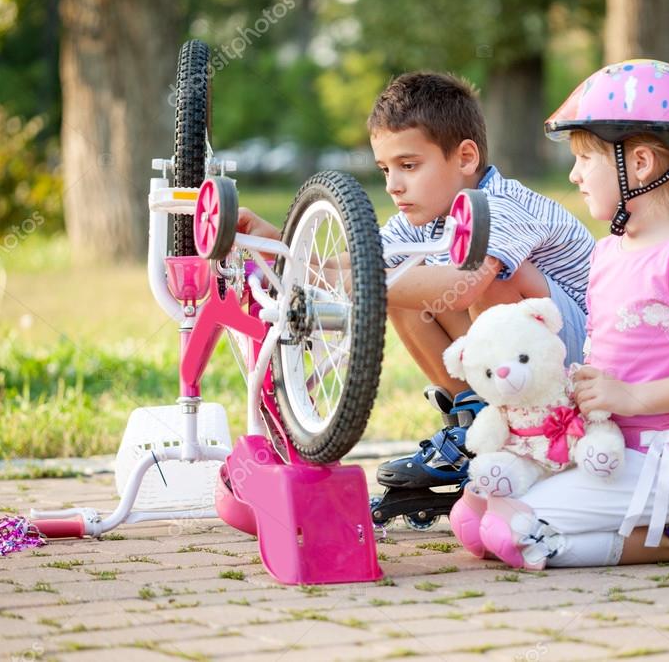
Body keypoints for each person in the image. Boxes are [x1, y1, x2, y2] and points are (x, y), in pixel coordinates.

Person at [451, 59, 669, 570]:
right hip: (607, 449)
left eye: (585, 158)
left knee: (508, 531)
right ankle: (644, 523)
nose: (574, 173)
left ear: (638, 164)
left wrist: (634, 397)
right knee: (469, 522)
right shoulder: (608, 253)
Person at [239, 72, 596, 494]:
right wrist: (283, 250)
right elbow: (357, 264)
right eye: (386, 169)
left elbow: (463, 286)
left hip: (581, 361)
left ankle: (508, 423)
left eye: (409, 166)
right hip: (517, 364)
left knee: (492, 277)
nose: (393, 185)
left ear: (465, 158)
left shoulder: (499, 205)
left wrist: (369, 284)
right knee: (403, 284)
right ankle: (472, 422)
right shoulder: (425, 219)